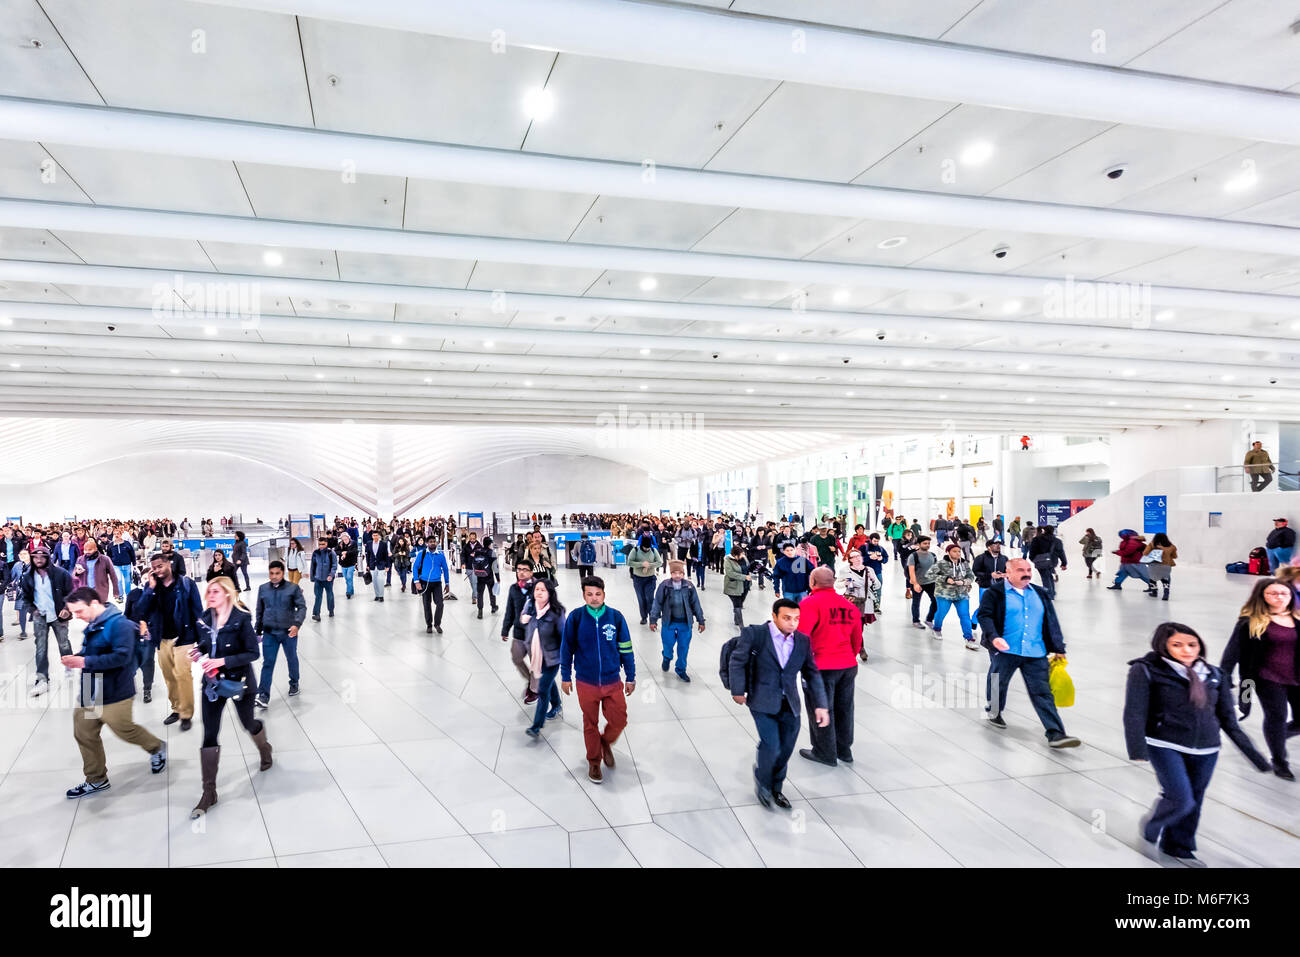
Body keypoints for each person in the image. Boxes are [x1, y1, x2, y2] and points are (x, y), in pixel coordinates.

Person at [1124, 622, 1268, 867]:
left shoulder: (1215, 674)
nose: (1187, 650)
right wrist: (1137, 748)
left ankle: (1179, 846)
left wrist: (1254, 755)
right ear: (1163, 646)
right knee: (1181, 798)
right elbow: (1135, 712)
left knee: (1195, 800)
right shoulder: (1146, 670)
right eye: (1177, 645)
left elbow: (1228, 720)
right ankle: (1153, 824)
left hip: (1208, 748)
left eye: (1192, 644)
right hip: (1165, 743)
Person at [61, 587, 167, 798]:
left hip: (114, 691)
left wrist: (84, 661)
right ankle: (97, 779)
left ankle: (156, 747)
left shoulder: (120, 625)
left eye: (79, 611)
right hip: (91, 687)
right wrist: (80, 656)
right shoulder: (94, 624)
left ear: (93, 604)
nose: (77, 617)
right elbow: (96, 650)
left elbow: (122, 657)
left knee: (124, 730)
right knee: (84, 732)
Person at [729, 598, 829, 809]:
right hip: (762, 700)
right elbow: (738, 661)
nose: (792, 623)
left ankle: (777, 786)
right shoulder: (755, 634)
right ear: (774, 616)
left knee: (785, 748)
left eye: (796, 619)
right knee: (771, 744)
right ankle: (763, 783)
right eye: (786, 618)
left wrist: (820, 704)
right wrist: (737, 690)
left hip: (790, 703)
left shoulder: (802, 640)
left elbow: (811, 673)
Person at [976, 558, 1081, 748]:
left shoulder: (1040, 593)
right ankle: (993, 711)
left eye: (1028, 569)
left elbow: (1051, 621)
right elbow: (984, 615)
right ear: (1007, 573)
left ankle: (1056, 734)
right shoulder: (996, 593)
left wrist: (1059, 648)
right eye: (1020, 570)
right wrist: (993, 637)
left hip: (1035, 651)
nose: (1026, 573)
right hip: (1006, 649)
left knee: (1043, 693)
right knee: (997, 682)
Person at [191, 577, 272, 818]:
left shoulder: (241, 618)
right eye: (208, 592)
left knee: (248, 723)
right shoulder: (206, 618)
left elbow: (252, 652)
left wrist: (223, 661)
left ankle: (264, 748)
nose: (210, 595)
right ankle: (209, 793)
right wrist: (199, 651)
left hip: (240, 683)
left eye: (215, 591)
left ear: (227, 593)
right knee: (209, 734)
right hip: (213, 685)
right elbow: (206, 644)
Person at [1221, 578, 1300, 780]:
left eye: (1284, 593)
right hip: (1266, 679)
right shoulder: (1250, 622)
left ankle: (1279, 734)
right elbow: (1232, 653)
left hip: (1296, 677)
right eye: (1273, 593)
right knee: (1277, 716)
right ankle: (1279, 761)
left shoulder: (1297, 620)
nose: (1279, 597)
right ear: (1262, 596)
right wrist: (1224, 677)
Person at [559, 576, 635, 784]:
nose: (594, 598)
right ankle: (594, 761)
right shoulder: (575, 618)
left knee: (619, 719)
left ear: (604, 594)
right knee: (590, 723)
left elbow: (626, 648)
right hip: (586, 682)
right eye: (589, 594)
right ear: (583, 595)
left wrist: (631, 676)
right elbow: (566, 650)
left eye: (598, 594)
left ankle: (605, 743)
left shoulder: (616, 617)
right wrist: (565, 676)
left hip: (612, 681)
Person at [797, 567, 861, 766]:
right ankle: (844, 750)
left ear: (812, 582)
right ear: (833, 582)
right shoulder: (849, 606)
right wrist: (849, 656)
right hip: (848, 665)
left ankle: (824, 752)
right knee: (844, 708)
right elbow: (857, 639)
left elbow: (802, 637)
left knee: (821, 708)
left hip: (820, 667)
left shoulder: (809, 604)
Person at [136, 551, 204, 730]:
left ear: (169, 564)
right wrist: (150, 588)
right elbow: (141, 611)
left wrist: (201, 640)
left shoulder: (186, 584)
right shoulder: (152, 587)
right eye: (154, 568)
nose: (157, 570)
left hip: (184, 637)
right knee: (169, 677)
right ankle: (177, 708)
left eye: (160, 566)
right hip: (162, 639)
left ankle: (186, 714)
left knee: (183, 675)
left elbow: (198, 611)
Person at [20, 547, 74, 698]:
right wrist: (32, 610)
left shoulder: (60, 573)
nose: (38, 560)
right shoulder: (28, 576)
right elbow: (24, 596)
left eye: (42, 557)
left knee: (63, 643)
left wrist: (66, 608)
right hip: (40, 616)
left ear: (47, 558)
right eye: (35, 557)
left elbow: (71, 593)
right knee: (41, 648)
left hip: (59, 615)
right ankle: (42, 680)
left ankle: (69, 665)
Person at [254, 559, 306, 708]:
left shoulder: (293, 588)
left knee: (291, 658)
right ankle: (263, 695)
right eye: (271, 573)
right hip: (270, 632)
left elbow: (302, 608)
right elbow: (260, 610)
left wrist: (297, 625)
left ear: (282, 573)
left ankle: (294, 682)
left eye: (277, 573)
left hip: (288, 632)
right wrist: (258, 629)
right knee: (268, 663)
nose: (274, 576)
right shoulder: (263, 589)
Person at [649, 559, 706, 681]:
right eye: (674, 573)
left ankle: (681, 669)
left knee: (683, 647)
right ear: (671, 573)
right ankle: (667, 657)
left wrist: (701, 620)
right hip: (668, 622)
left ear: (683, 574)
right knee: (668, 644)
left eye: (680, 573)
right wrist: (653, 619)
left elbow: (696, 604)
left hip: (685, 623)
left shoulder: (689, 586)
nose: (677, 575)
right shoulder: (664, 586)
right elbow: (657, 603)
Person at [524, 578, 566, 737]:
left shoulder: (557, 612)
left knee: (542, 689)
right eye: (537, 589)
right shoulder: (531, 607)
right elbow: (525, 623)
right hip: (537, 655)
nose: (539, 592)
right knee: (548, 682)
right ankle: (556, 705)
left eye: (543, 590)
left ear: (550, 593)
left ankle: (536, 725)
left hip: (553, 657)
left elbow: (564, 636)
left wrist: (567, 658)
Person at [926, 542, 978, 649]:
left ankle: (968, 638)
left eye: (959, 551)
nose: (958, 553)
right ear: (948, 552)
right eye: (955, 551)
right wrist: (945, 579)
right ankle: (937, 629)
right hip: (944, 594)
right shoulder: (941, 564)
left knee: (965, 615)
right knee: (941, 613)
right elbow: (929, 575)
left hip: (962, 594)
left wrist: (965, 582)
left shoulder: (964, 564)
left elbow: (971, 576)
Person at [501, 560, 539, 702]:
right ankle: (532, 681)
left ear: (531, 572)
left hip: (535, 633)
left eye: (525, 569)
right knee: (516, 658)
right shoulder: (514, 589)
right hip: (519, 632)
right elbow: (509, 610)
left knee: (535, 662)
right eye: (518, 569)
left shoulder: (539, 588)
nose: (521, 572)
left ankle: (535, 690)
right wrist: (505, 629)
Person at [839, 549, 877, 662]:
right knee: (854, 627)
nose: (857, 558)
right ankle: (860, 649)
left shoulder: (869, 570)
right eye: (853, 557)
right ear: (850, 560)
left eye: (858, 556)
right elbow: (837, 584)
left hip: (865, 602)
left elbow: (877, 585)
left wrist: (873, 578)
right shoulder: (844, 571)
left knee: (859, 628)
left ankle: (858, 647)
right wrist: (844, 583)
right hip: (851, 601)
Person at [411, 535, 450, 634]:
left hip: (437, 583)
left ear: (436, 543)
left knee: (440, 604)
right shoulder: (422, 554)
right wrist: (416, 581)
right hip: (424, 583)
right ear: (427, 543)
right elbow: (415, 567)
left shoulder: (440, 556)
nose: (432, 543)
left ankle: (437, 624)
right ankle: (429, 625)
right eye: (430, 541)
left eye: (434, 541)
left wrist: (447, 583)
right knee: (426, 604)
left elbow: (445, 570)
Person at [72, 535, 122, 605]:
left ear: (95, 549)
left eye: (90, 550)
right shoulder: (80, 559)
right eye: (85, 550)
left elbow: (113, 576)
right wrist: (77, 573)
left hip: (100, 591)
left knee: (99, 613)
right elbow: (74, 576)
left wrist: (116, 592)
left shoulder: (105, 559)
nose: (87, 552)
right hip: (85, 591)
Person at [1027, 525, 1067, 599]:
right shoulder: (1058, 541)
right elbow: (1061, 552)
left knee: (1045, 577)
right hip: (1053, 561)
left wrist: (1033, 559)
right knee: (1049, 576)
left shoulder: (1037, 539)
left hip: (1041, 561)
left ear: (1044, 531)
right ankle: (1052, 592)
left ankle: (1049, 594)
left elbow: (1032, 551)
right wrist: (1064, 563)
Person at [1108, 529, 1153, 594]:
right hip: (1127, 562)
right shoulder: (1129, 541)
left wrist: (1117, 552)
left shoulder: (1133, 542)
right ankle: (1117, 585)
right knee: (1122, 574)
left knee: (1143, 574)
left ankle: (1152, 586)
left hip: (1134, 562)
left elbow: (1128, 552)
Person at [628, 534, 660, 625]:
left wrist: (649, 565)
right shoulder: (635, 550)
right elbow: (629, 562)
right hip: (638, 579)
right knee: (641, 599)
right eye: (645, 548)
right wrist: (641, 564)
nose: (647, 550)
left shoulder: (653, 550)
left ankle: (652, 618)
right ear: (641, 546)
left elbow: (659, 562)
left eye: (648, 548)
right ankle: (644, 617)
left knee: (649, 598)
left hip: (650, 579)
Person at [907, 536, 937, 630]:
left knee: (936, 601)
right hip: (918, 583)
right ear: (919, 544)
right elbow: (911, 572)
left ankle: (929, 619)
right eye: (925, 543)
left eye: (928, 543)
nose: (927, 545)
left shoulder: (933, 555)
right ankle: (916, 621)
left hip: (931, 582)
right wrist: (915, 584)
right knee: (916, 602)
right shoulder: (913, 556)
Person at [308, 535, 338, 622]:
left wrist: (331, 575)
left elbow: (334, 565)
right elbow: (313, 566)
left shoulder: (331, 553)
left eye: (323, 544)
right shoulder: (315, 553)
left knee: (329, 595)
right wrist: (312, 577)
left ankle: (331, 610)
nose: (321, 546)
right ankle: (316, 614)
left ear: (327, 544)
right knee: (318, 596)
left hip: (328, 579)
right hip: (318, 579)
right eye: (320, 544)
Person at [1142, 533, 1178, 601]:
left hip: (1154, 565)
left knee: (1152, 578)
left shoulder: (1152, 544)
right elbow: (1175, 556)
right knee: (1166, 579)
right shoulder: (1171, 546)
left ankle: (1154, 592)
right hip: (1166, 566)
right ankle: (1166, 594)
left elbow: (1145, 553)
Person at [722, 545, 751, 627]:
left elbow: (748, 567)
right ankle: (742, 626)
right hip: (733, 586)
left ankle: (736, 619)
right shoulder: (728, 560)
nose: (743, 556)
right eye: (741, 554)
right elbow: (730, 573)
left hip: (745, 585)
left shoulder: (744, 558)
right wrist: (744, 577)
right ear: (735, 555)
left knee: (740, 603)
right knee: (737, 604)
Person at [108, 529, 136, 599]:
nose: (117, 535)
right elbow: (109, 556)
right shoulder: (111, 545)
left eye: (118, 533)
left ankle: (128, 594)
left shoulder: (127, 543)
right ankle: (120, 595)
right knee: (119, 580)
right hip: (116, 566)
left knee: (128, 581)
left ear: (121, 534)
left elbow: (132, 553)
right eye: (115, 534)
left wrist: (134, 564)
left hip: (127, 565)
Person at [365, 530, 390, 602]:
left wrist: (388, 565)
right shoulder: (369, 543)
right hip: (372, 565)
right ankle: (377, 595)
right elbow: (368, 555)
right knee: (375, 581)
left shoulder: (383, 544)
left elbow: (386, 555)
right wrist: (367, 565)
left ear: (379, 536)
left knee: (381, 581)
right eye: (374, 535)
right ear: (372, 536)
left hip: (381, 565)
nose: (375, 537)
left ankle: (381, 596)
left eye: (376, 535)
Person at [337, 532, 358, 599]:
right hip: (343, 564)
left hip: (351, 564)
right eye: (343, 539)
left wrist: (347, 553)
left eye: (346, 538)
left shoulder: (353, 543)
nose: (345, 540)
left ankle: (348, 592)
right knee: (347, 579)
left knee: (349, 577)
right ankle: (351, 590)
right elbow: (336, 551)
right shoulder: (340, 544)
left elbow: (355, 551)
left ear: (348, 537)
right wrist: (341, 553)